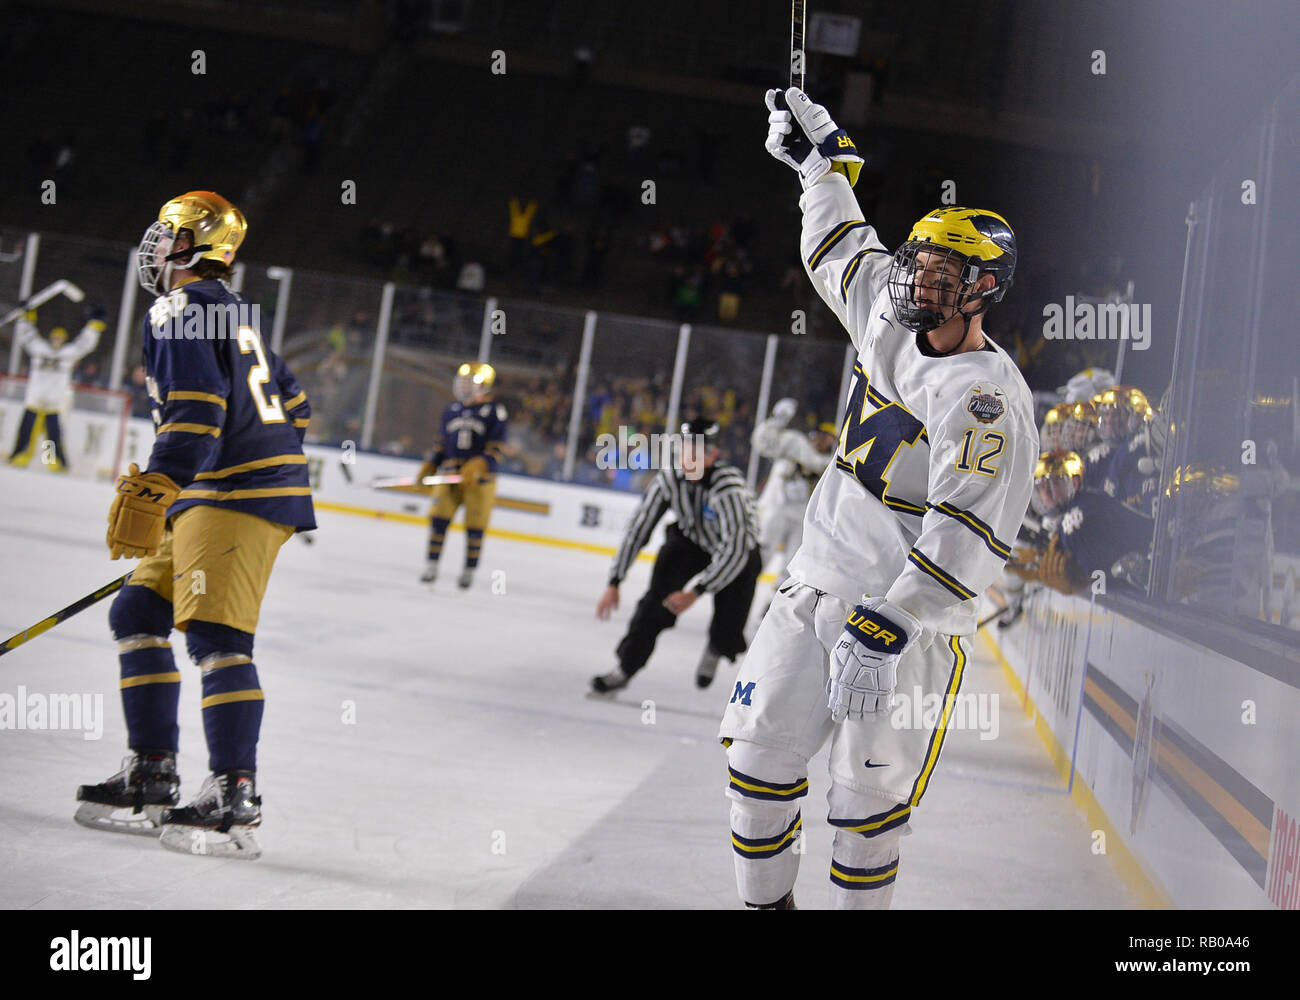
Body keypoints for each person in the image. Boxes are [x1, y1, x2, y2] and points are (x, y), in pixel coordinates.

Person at [718, 88, 1036, 909]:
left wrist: (894, 616)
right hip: (816, 583)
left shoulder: (988, 397)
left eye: (944, 270)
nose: (920, 276)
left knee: (867, 810)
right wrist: (820, 162)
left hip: (909, 628)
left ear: (983, 289)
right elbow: (837, 244)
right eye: (919, 260)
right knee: (755, 762)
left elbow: (970, 528)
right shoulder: (885, 316)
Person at [75, 191, 315, 860]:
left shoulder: (179, 307)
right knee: (137, 612)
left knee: (215, 636)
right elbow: (296, 406)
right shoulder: (236, 313)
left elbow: (197, 414)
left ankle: (234, 793)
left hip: (232, 494)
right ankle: (153, 768)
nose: (155, 246)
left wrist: (163, 482)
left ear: (193, 246)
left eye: (167, 235)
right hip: (224, 489)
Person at [593, 417, 761, 692]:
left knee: (731, 619)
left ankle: (718, 646)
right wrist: (615, 580)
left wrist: (695, 592)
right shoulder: (669, 479)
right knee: (653, 605)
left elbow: (736, 548)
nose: (688, 459)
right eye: (684, 450)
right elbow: (638, 529)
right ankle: (625, 668)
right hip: (690, 543)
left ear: (713, 455)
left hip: (737, 554)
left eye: (696, 452)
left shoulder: (730, 490)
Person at [747, 399, 836, 634]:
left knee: (791, 567)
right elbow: (762, 443)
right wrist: (775, 422)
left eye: (827, 437)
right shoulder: (794, 443)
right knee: (760, 554)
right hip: (776, 508)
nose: (821, 440)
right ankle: (741, 593)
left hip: (803, 517)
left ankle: (772, 608)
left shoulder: (835, 462)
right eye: (819, 434)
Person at [418, 362, 508, 589]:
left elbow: (496, 450)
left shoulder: (494, 411)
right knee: (438, 519)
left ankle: (468, 570)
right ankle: (431, 565)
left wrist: (478, 465)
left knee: (475, 526)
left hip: (480, 481)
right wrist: (430, 464)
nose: (464, 385)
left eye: (470, 381)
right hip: (450, 475)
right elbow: (441, 444)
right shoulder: (451, 410)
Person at [7, 308, 105, 471]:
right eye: (55, 337)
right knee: (26, 433)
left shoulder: (68, 353)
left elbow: (84, 344)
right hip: (34, 399)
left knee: (52, 437)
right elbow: (28, 337)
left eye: (60, 338)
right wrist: (26, 319)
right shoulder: (40, 349)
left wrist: (93, 326)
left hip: (53, 403)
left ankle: (53, 461)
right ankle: (20, 456)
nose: (57, 340)